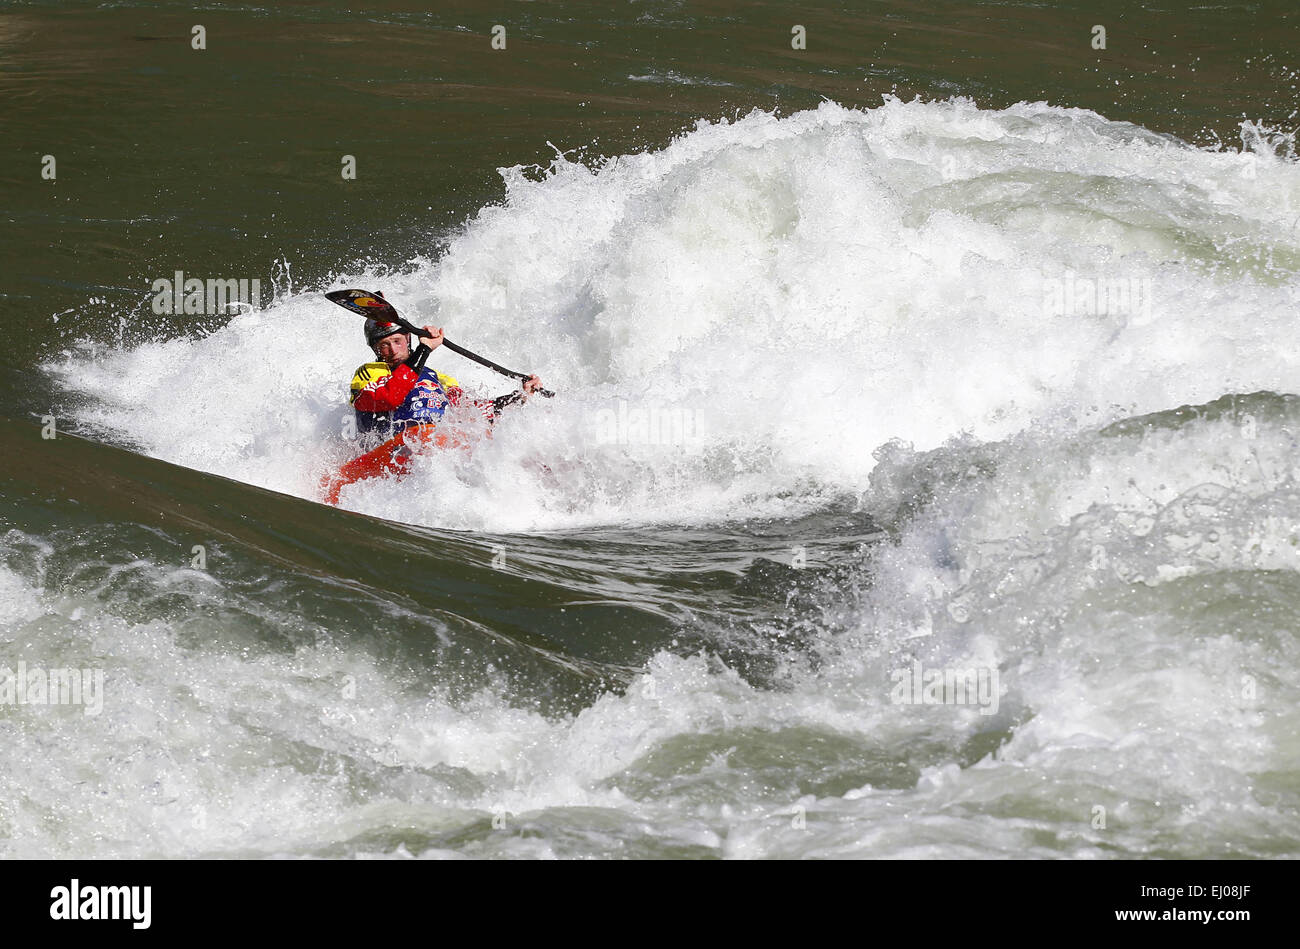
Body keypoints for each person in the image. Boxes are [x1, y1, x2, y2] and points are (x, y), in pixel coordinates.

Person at [320, 318, 544, 504]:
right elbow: (390, 396)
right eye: (384, 345)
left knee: (485, 437)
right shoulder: (369, 373)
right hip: (384, 454)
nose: (392, 350)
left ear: (407, 339)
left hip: (429, 447)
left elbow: (474, 412)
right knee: (424, 435)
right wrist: (424, 348)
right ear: (375, 349)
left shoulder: (437, 377)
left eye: (397, 341)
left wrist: (521, 396)